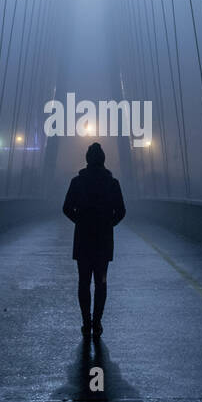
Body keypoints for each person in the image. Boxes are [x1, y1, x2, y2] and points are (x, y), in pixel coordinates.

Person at [62, 142, 126, 338]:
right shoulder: (112, 183)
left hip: (83, 240)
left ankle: (86, 322)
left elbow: (66, 208)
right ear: (103, 160)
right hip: (103, 241)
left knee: (83, 281)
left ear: (87, 159)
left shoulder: (77, 182)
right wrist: (108, 224)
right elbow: (121, 211)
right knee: (101, 282)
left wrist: (80, 221)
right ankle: (97, 323)